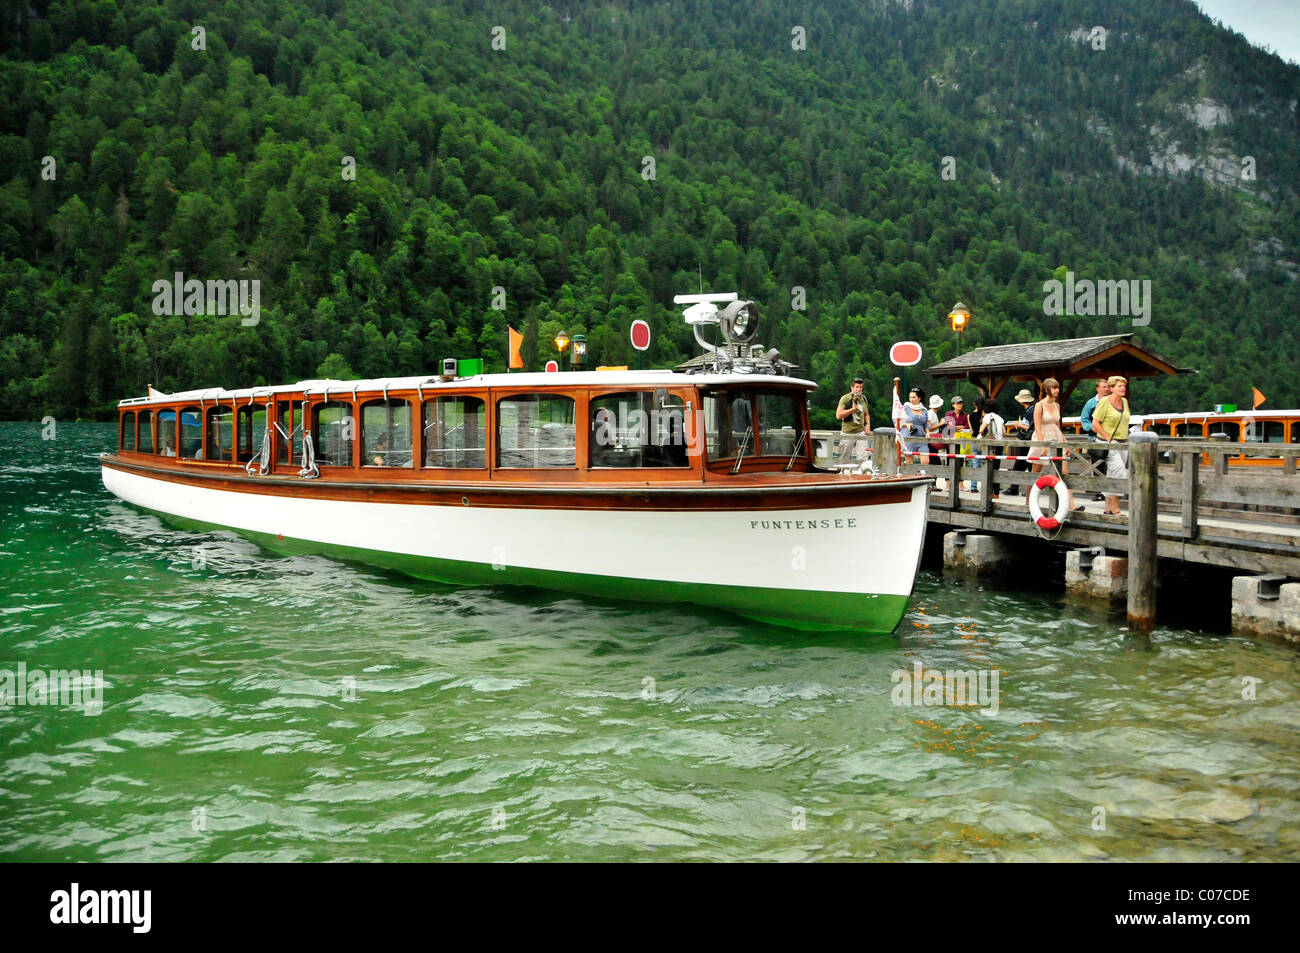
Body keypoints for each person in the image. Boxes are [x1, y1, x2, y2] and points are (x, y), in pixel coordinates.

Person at [1032, 377, 1081, 511]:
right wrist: (1042, 446)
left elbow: (1058, 426)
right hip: (1042, 437)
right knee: (1036, 472)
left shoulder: (1057, 405)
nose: (1057, 390)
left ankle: (1072, 505)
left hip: (1056, 437)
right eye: (1054, 388)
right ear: (1048, 389)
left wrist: (1065, 442)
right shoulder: (1039, 405)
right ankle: (1029, 501)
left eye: (1058, 388)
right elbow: (1037, 427)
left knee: (1064, 472)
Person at [1092, 376, 1131, 515]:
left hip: (1123, 442)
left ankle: (1108, 508)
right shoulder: (1104, 402)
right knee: (1119, 473)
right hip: (1108, 442)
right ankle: (1115, 508)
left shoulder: (1125, 402)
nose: (1122, 388)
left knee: (1112, 473)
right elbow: (1095, 423)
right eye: (1119, 386)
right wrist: (1107, 436)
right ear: (1112, 388)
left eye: (1123, 386)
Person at [1079, 378, 1111, 500]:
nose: (1106, 389)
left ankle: (1110, 492)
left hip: (1110, 438)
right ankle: (1099, 491)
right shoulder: (1090, 403)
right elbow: (1084, 420)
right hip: (1094, 438)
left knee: (1111, 464)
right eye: (1104, 387)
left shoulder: (1112, 401)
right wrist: (1092, 428)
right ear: (1097, 388)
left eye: (1107, 387)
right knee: (1097, 465)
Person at [1003, 388, 1036, 495]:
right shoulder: (1032, 409)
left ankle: (1016, 488)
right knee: (1025, 464)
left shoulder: (1030, 411)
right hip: (1030, 440)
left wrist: (1018, 424)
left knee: (1021, 463)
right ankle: (1021, 489)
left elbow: (1027, 427)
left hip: (1026, 440)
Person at [835, 377, 871, 464]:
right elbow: (838, 416)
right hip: (847, 432)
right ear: (852, 387)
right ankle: (842, 475)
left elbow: (866, 414)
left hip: (860, 432)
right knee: (843, 459)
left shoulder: (863, 398)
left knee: (863, 459)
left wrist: (868, 424)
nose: (858, 389)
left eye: (861, 387)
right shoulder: (845, 398)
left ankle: (862, 476)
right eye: (857, 387)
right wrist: (852, 409)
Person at [977, 397, 1005, 496]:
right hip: (1000, 444)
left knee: (988, 468)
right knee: (996, 467)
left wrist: (980, 433)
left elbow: (982, 429)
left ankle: (988, 492)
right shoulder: (999, 417)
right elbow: (1004, 431)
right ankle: (996, 493)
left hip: (991, 445)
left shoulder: (988, 416)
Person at [900, 387, 930, 463]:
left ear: (919, 398)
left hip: (921, 438)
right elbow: (896, 420)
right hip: (908, 437)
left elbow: (926, 423)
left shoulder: (924, 410)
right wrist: (906, 424)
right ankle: (910, 474)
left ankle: (923, 474)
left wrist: (928, 432)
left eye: (914, 397)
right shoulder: (905, 407)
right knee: (909, 462)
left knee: (925, 461)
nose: (911, 399)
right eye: (910, 397)